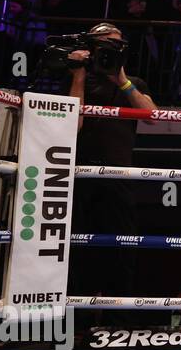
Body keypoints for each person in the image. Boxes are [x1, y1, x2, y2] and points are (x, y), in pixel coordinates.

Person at [67, 23, 157, 304]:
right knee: (76, 249)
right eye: (104, 43)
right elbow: (71, 125)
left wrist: (121, 80)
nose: (110, 48)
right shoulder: (76, 80)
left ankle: (119, 320)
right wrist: (78, 76)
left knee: (122, 250)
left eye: (115, 43)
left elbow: (152, 115)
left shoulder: (135, 83)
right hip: (80, 175)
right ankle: (76, 323)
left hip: (118, 175)